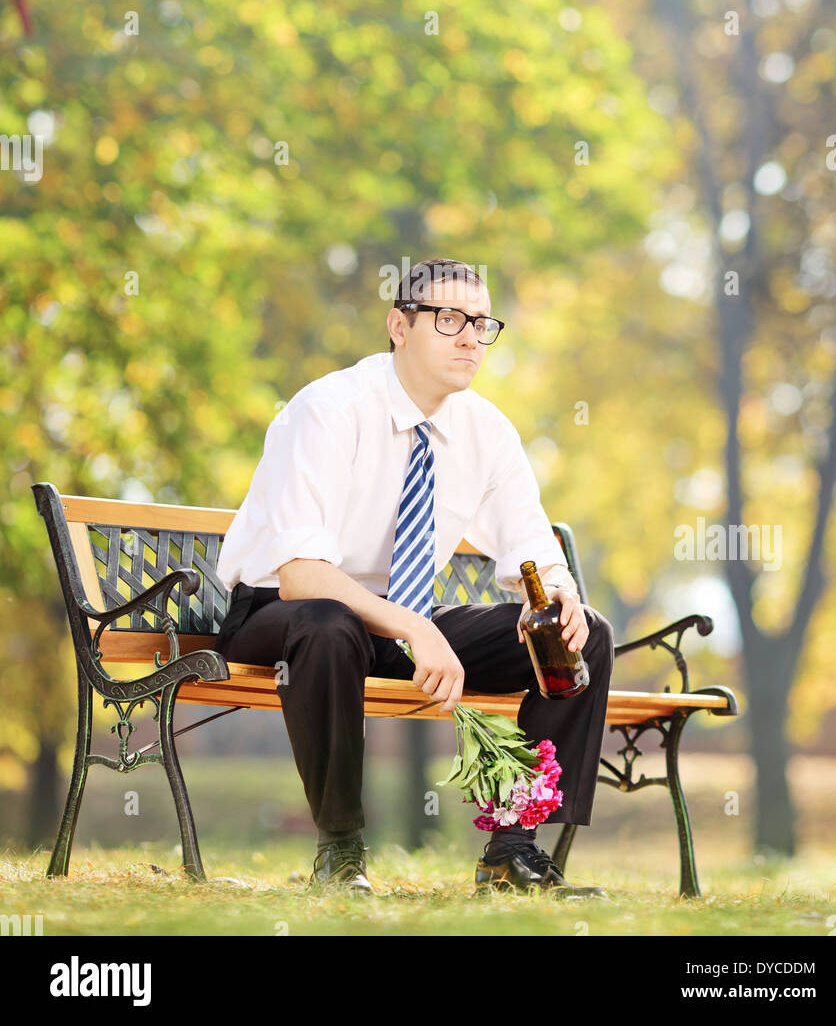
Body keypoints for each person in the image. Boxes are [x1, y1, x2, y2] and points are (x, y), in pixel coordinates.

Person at [214, 257, 614, 899]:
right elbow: (300, 574)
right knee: (329, 621)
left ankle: (513, 852)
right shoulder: (327, 409)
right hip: (283, 618)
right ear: (398, 325)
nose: (469, 338)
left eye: (482, 324)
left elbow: (530, 545)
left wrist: (560, 593)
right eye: (449, 318)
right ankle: (341, 854)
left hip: (399, 625)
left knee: (585, 635)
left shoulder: (487, 431)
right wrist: (414, 626)